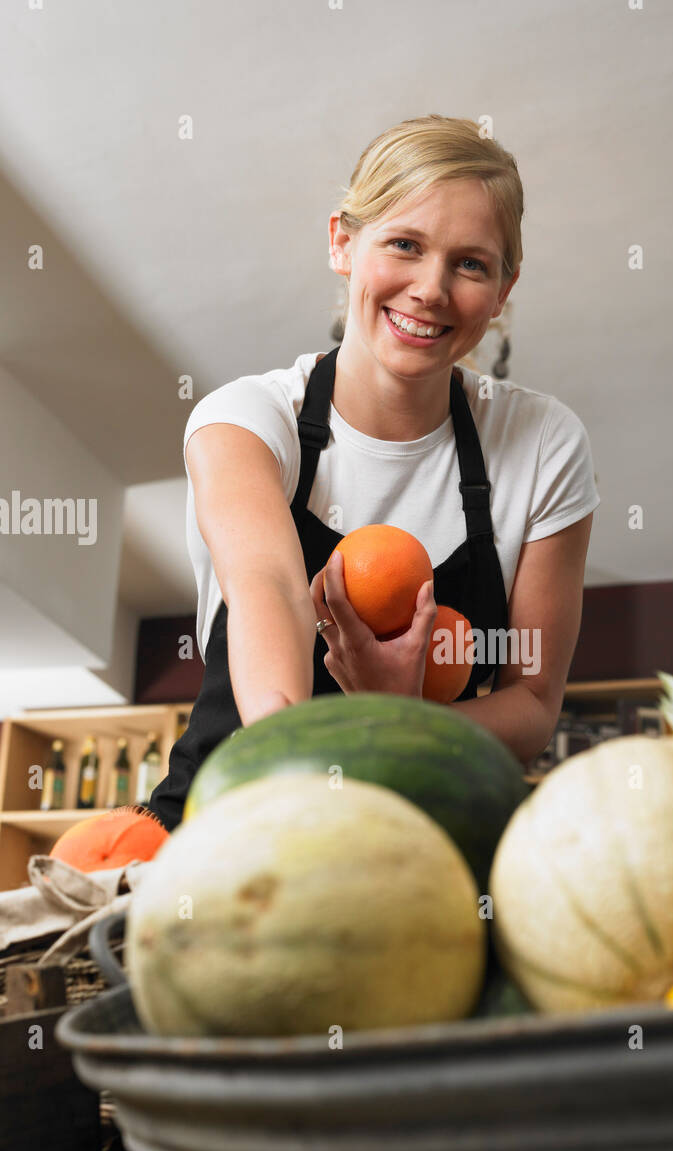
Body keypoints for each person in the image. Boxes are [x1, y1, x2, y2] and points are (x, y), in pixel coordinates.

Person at [149, 114, 600, 831]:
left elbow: (534, 701)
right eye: (404, 245)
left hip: (416, 835)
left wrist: (397, 718)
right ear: (342, 242)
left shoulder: (542, 444)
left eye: (471, 264)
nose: (430, 288)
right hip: (221, 829)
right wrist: (292, 773)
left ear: (505, 286)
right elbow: (269, 587)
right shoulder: (244, 422)